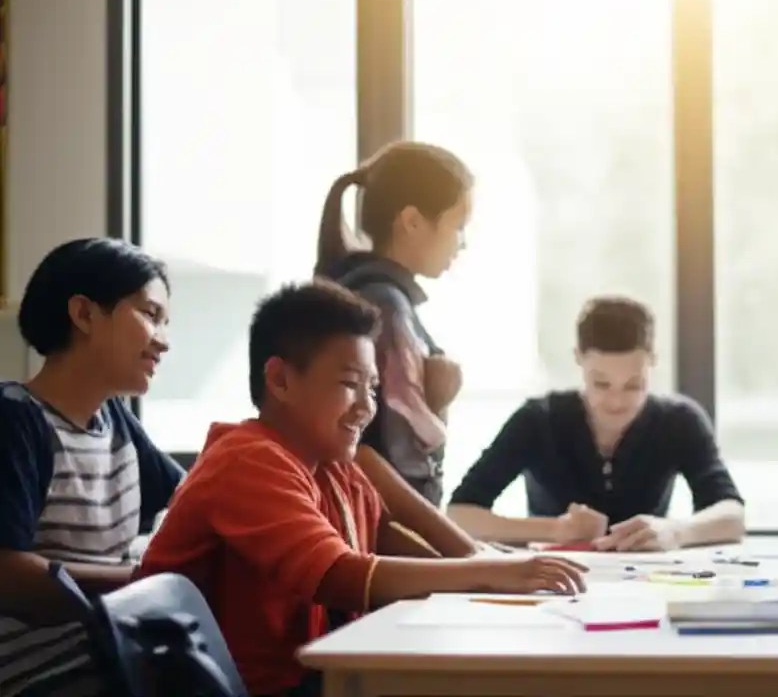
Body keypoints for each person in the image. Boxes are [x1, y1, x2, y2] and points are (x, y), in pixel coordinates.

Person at [138, 282, 585, 696]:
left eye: (371, 388)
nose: (366, 407)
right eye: (350, 384)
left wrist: (494, 572)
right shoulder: (249, 459)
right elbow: (342, 575)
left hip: (305, 679)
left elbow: (393, 540)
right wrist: (494, 573)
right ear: (280, 380)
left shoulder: (331, 465)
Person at [0, 238, 185, 696]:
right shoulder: (15, 418)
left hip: (113, 656)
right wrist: (143, 583)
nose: (164, 341)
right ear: (84, 314)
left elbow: (195, 497)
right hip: (41, 676)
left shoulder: (114, 419)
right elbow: (8, 571)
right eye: (150, 315)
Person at [447, 297, 745, 552]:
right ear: (578, 358)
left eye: (633, 385)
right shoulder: (538, 419)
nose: (616, 401)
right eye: (601, 384)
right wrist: (554, 529)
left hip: (646, 578)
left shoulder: (679, 420)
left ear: (653, 360)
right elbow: (460, 514)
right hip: (554, 580)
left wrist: (675, 531)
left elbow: (732, 514)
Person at [314, 141, 479, 561]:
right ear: (412, 222)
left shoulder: (364, 292)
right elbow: (393, 459)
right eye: (458, 226)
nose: (462, 244)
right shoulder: (385, 307)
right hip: (384, 543)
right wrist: (460, 556)